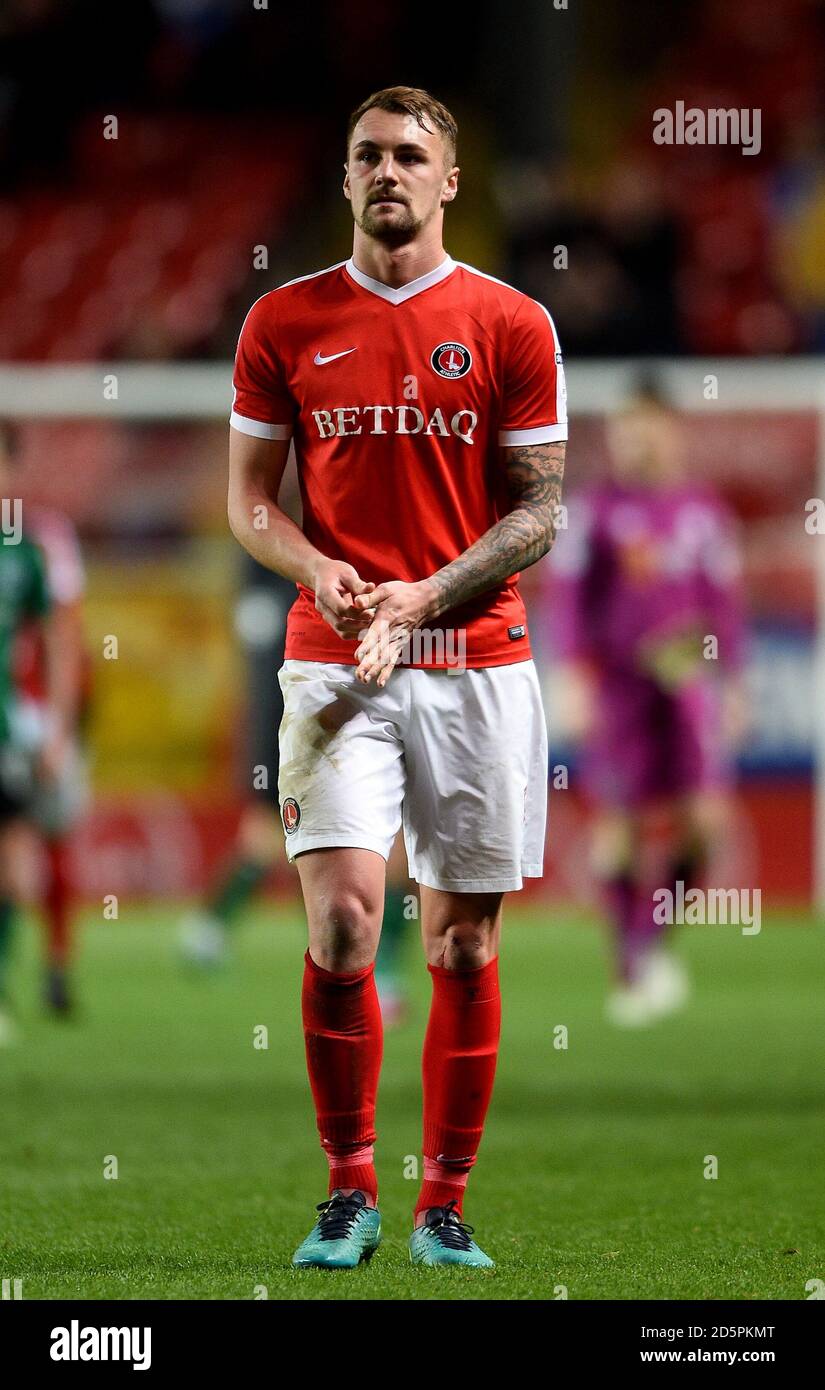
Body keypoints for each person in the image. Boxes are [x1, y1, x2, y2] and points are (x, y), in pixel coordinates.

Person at [227, 86, 567, 1269]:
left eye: (410, 154)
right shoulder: (282, 320)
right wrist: (319, 567)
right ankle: (351, 1188)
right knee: (342, 926)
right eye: (368, 152)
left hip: (474, 659)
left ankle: (446, 1202)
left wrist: (425, 595)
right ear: (346, 176)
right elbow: (249, 503)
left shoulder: (513, 321)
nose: (388, 170)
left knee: (463, 947)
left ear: (449, 180)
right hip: (335, 663)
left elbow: (540, 511)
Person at [550, 381, 746, 1026]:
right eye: (626, 432)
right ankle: (632, 959)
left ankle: (652, 944)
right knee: (620, 829)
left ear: (672, 432)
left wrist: (733, 681)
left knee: (706, 825)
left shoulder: (702, 512)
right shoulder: (596, 511)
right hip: (619, 689)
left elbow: (724, 605)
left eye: (649, 430)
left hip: (687, 686)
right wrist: (575, 675)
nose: (637, 443)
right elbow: (571, 601)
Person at [0, 423, 76, 1038]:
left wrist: (54, 728)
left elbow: (58, 642)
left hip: (9, 729)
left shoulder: (27, 550)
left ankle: (17, 982)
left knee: (17, 864)